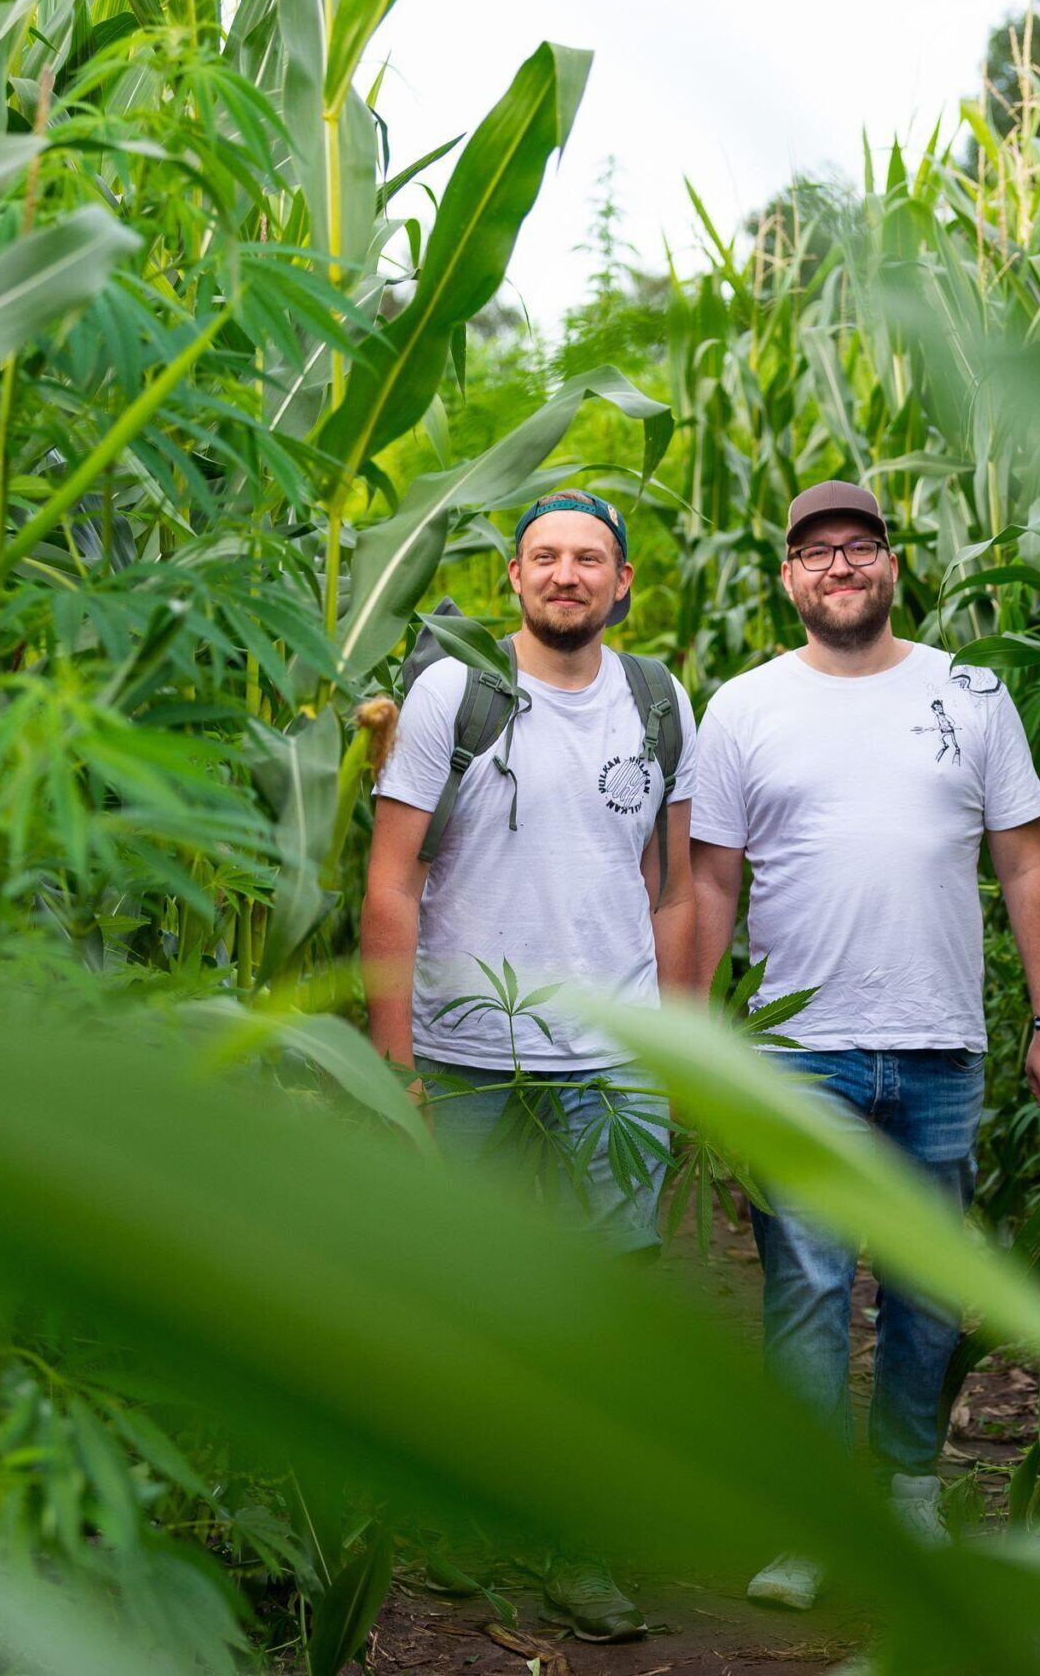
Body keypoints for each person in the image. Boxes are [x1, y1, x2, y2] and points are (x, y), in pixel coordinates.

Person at [687, 478, 1040, 1609]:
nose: (839, 566)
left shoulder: (969, 692)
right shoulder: (745, 705)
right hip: (792, 1047)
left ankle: (909, 1484)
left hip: (938, 1040)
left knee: (920, 1282)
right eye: (815, 552)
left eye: (858, 546)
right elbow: (711, 878)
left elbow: (1023, 863)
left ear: (891, 564)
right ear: (788, 579)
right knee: (806, 1283)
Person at [361, 488, 695, 1644]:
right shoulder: (452, 688)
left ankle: (578, 1541)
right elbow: (392, 876)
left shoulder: (658, 701)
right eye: (545, 557)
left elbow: (672, 889)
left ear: (622, 584)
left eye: (588, 559)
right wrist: (390, 1056)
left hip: (615, 1056)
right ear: (513, 576)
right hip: (465, 1049)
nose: (566, 574)